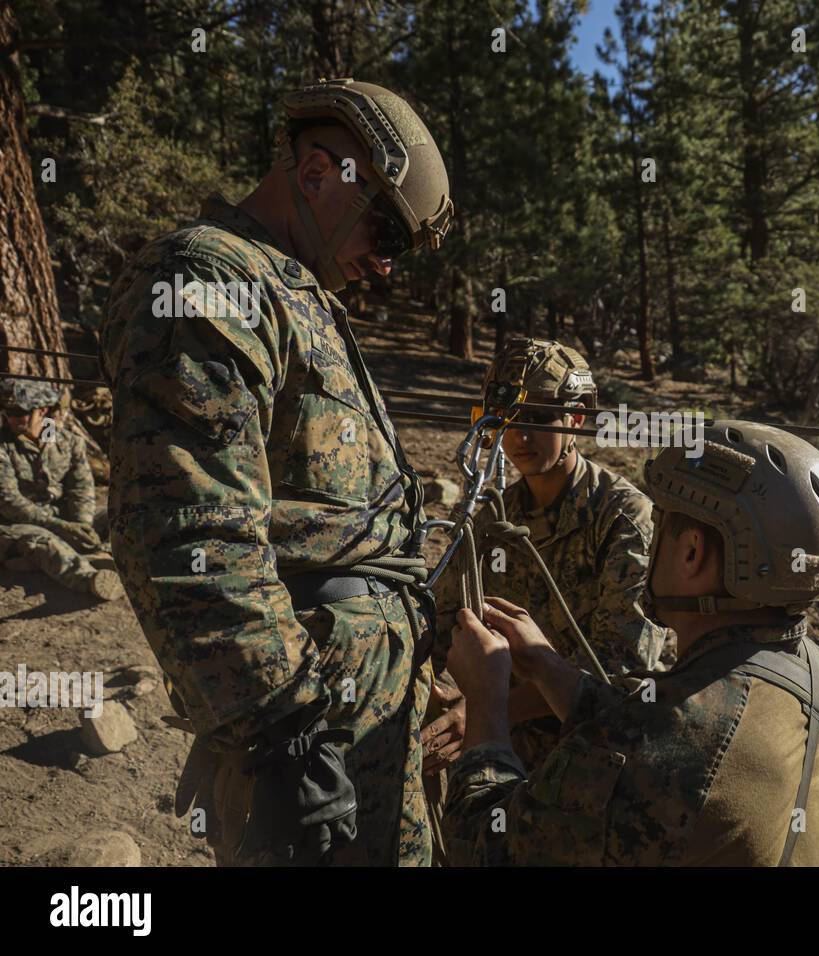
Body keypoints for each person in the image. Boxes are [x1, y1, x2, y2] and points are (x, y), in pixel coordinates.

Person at [99, 78, 454, 866]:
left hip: (359, 709)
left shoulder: (294, 291)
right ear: (321, 173)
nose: (387, 268)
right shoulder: (208, 280)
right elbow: (187, 529)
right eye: (386, 234)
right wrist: (283, 731)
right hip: (307, 725)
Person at [442, 421, 819, 865]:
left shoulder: (666, 741)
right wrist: (549, 667)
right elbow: (652, 728)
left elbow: (485, 845)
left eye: (659, 526)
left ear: (691, 553)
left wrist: (487, 703)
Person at [423, 338, 668, 785]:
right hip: (508, 755)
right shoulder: (495, 516)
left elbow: (619, 671)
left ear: (575, 419)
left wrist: (485, 709)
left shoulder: (624, 517)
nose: (520, 437)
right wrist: (429, 695)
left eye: (537, 418)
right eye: (508, 419)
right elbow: (439, 623)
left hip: (598, 757)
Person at [0, 378, 121, 601]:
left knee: (120, 513)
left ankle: (101, 553)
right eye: (9, 412)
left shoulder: (67, 441)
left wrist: (81, 524)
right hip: (16, 524)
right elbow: (9, 502)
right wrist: (60, 526)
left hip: (63, 517)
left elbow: (81, 487)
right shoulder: (3, 446)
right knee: (40, 540)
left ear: (42, 410)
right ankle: (90, 579)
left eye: (21, 412)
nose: (13, 419)